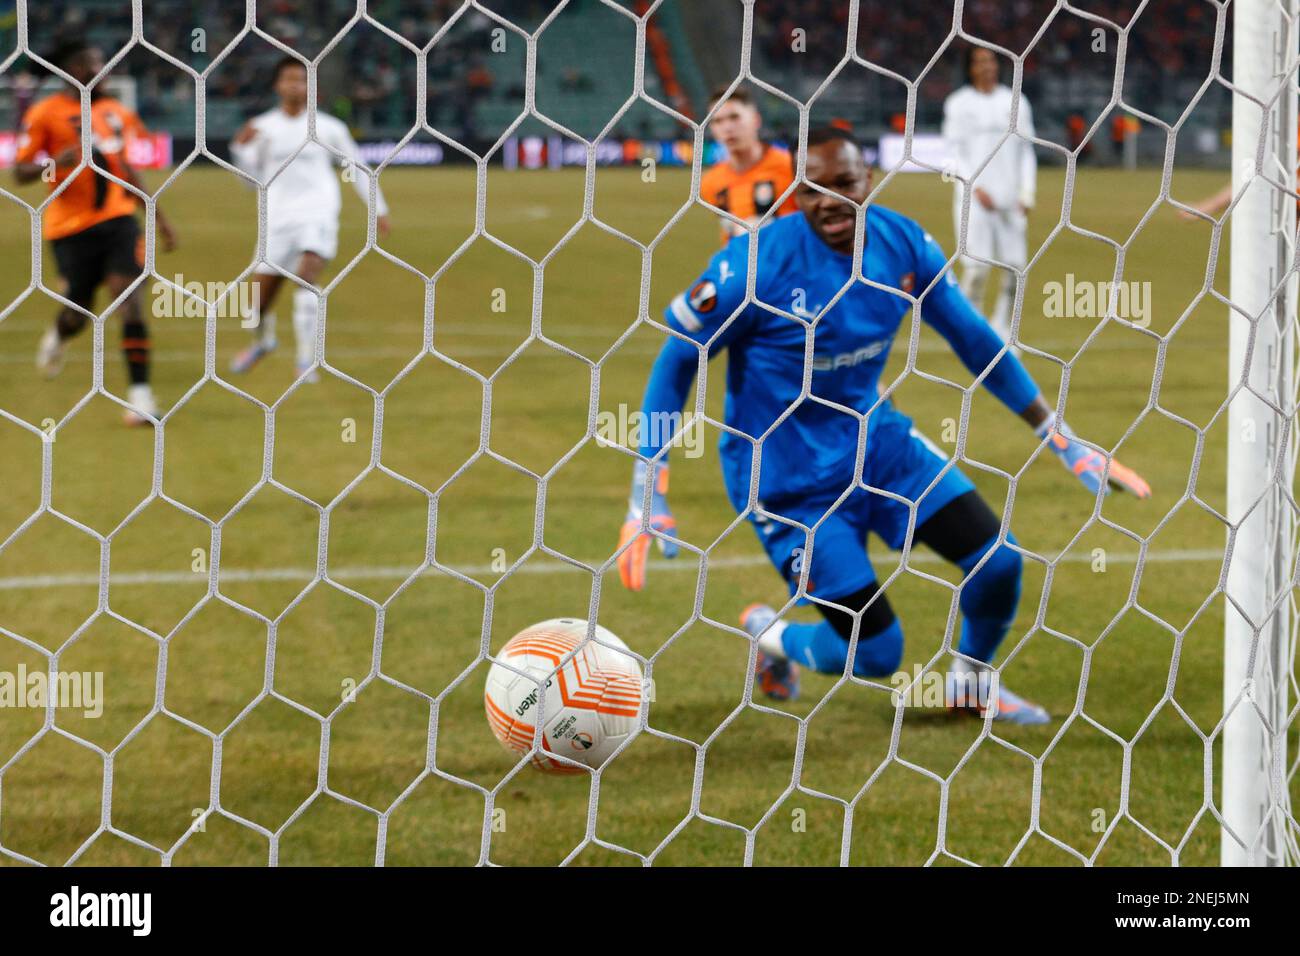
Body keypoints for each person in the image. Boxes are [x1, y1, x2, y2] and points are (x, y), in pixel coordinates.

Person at [616, 129, 1151, 723]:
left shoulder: (901, 243)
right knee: (875, 652)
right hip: (788, 481)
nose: (828, 200)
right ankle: (767, 635)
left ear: (869, 180)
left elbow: (974, 339)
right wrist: (647, 484)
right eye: (812, 187)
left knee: (999, 562)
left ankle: (970, 685)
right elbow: (677, 359)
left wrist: (1060, 435)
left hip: (879, 447)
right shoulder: (753, 265)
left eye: (843, 183)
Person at [14, 37, 178, 425]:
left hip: (118, 219)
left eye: (101, 62)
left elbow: (124, 166)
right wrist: (55, 162)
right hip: (68, 228)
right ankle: (58, 335)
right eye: (90, 63)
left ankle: (140, 397)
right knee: (79, 310)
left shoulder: (114, 112)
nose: (99, 70)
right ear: (70, 71)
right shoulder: (44, 114)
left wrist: (158, 215)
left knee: (127, 296)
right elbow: (20, 173)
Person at [228, 56, 391, 382]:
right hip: (276, 220)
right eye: (289, 79)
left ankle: (306, 362)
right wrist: (239, 151)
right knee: (254, 308)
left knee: (307, 279)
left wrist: (378, 207)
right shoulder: (262, 128)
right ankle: (263, 342)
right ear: (277, 85)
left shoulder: (329, 127)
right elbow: (250, 183)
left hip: (318, 214)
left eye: (302, 80)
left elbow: (356, 167)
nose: (296, 85)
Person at [941, 46, 1036, 350]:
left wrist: (1026, 193)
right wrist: (973, 186)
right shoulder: (958, 104)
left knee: (1014, 268)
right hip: (974, 200)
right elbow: (952, 154)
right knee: (977, 269)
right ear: (970, 68)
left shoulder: (1016, 101)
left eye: (992, 61)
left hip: (1010, 201)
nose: (987, 67)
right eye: (980, 62)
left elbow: (1027, 151)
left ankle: (1004, 329)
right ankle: (971, 331)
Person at [700, 86, 797, 245]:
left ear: (755, 120)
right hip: (741, 266)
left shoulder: (791, 167)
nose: (727, 128)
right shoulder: (710, 182)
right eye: (718, 121)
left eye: (734, 117)